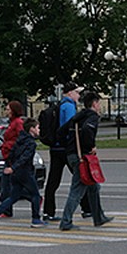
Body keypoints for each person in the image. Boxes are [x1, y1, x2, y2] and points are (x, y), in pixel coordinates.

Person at [58, 91, 114, 231]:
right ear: (94, 104)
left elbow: (61, 131)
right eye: (99, 103)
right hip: (82, 157)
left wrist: (69, 146)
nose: (99, 106)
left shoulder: (77, 117)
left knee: (94, 187)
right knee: (77, 190)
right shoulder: (92, 117)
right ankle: (66, 221)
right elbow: (87, 132)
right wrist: (90, 147)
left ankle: (98, 217)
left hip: (72, 155)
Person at [0, 118, 47, 228]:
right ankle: (36, 219)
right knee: (35, 195)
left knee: (13, 196)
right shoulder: (31, 143)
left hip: (15, 173)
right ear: (32, 129)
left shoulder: (20, 140)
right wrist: (14, 167)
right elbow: (25, 158)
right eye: (38, 128)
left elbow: (12, 154)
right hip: (25, 172)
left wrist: (10, 166)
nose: (39, 130)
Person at [43, 82, 90, 222]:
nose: (79, 95)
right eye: (77, 92)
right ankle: (87, 209)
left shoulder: (59, 106)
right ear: (70, 93)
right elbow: (71, 127)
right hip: (66, 149)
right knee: (80, 177)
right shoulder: (69, 106)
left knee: (53, 181)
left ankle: (48, 212)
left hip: (55, 148)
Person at [0, 101, 25, 218]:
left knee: (7, 184)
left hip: (12, 156)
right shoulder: (13, 122)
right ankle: (7, 209)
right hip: (9, 155)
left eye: (8, 109)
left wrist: (9, 146)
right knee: (10, 184)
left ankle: (6, 210)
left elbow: (21, 138)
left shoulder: (17, 123)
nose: (6, 112)